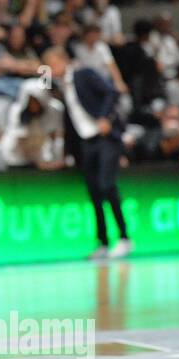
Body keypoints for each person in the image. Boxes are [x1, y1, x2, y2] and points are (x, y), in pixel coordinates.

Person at [43, 47, 131, 260]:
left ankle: (124, 238)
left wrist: (103, 117)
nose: (51, 70)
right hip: (85, 143)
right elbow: (66, 118)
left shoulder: (84, 74)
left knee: (106, 185)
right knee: (94, 193)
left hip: (105, 139)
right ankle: (102, 242)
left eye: (53, 64)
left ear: (64, 60)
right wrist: (65, 155)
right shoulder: (59, 87)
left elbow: (111, 92)